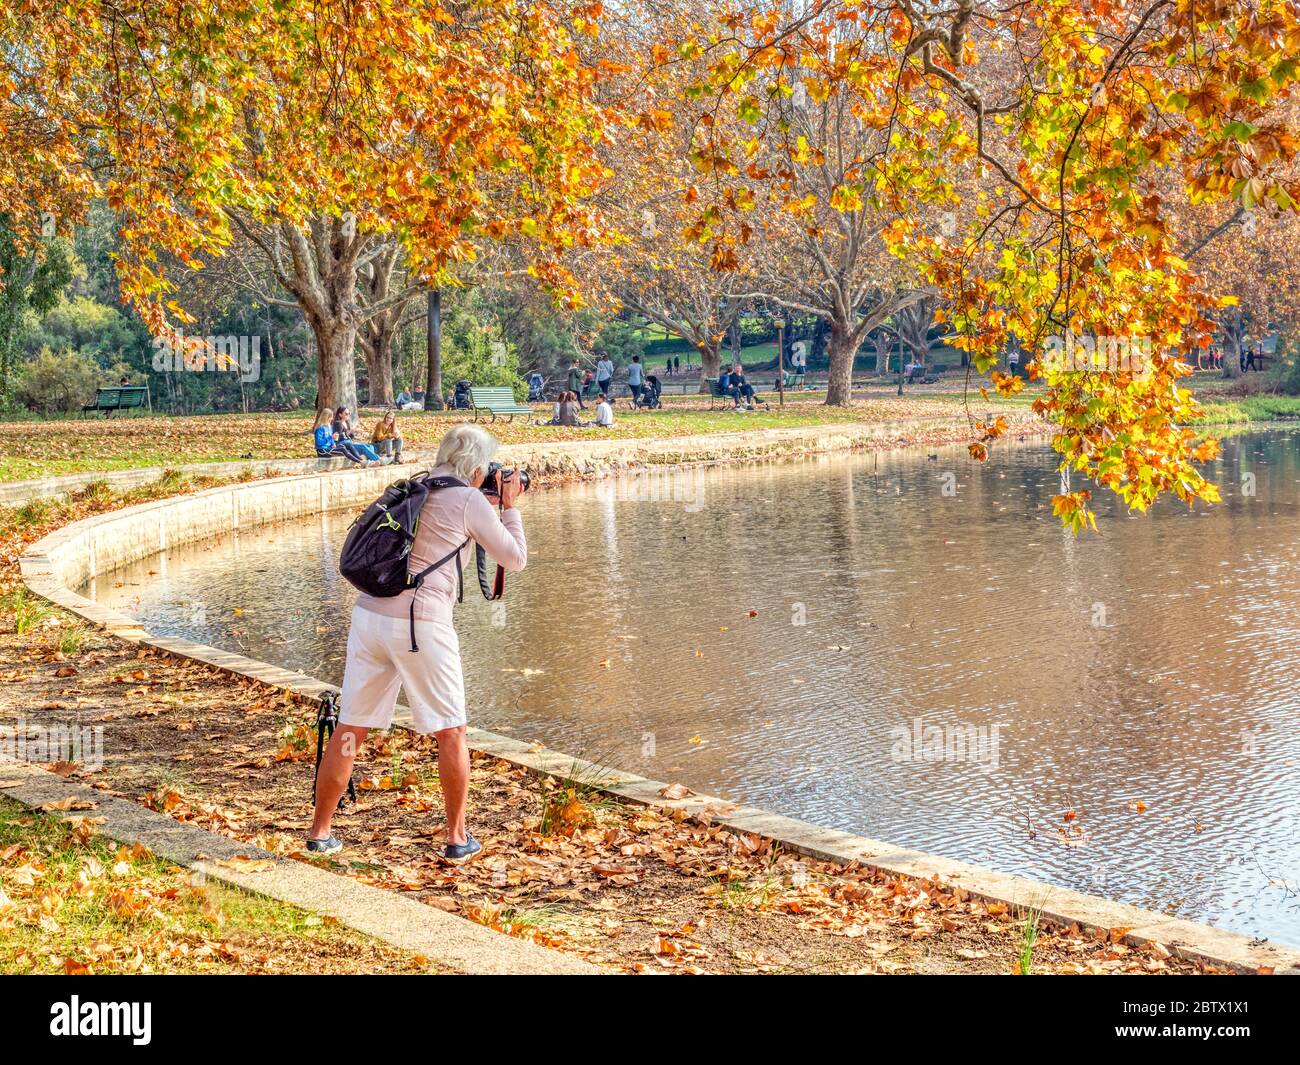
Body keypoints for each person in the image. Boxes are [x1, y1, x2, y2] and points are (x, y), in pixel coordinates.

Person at [307, 424, 527, 862]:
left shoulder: (416, 485)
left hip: (370, 615)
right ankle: (457, 837)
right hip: (419, 627)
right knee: (452, 730)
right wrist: (509, 506)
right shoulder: (468, 500)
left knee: (351, 727)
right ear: (479, 469)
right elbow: (514, 558)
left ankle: (320, 833)